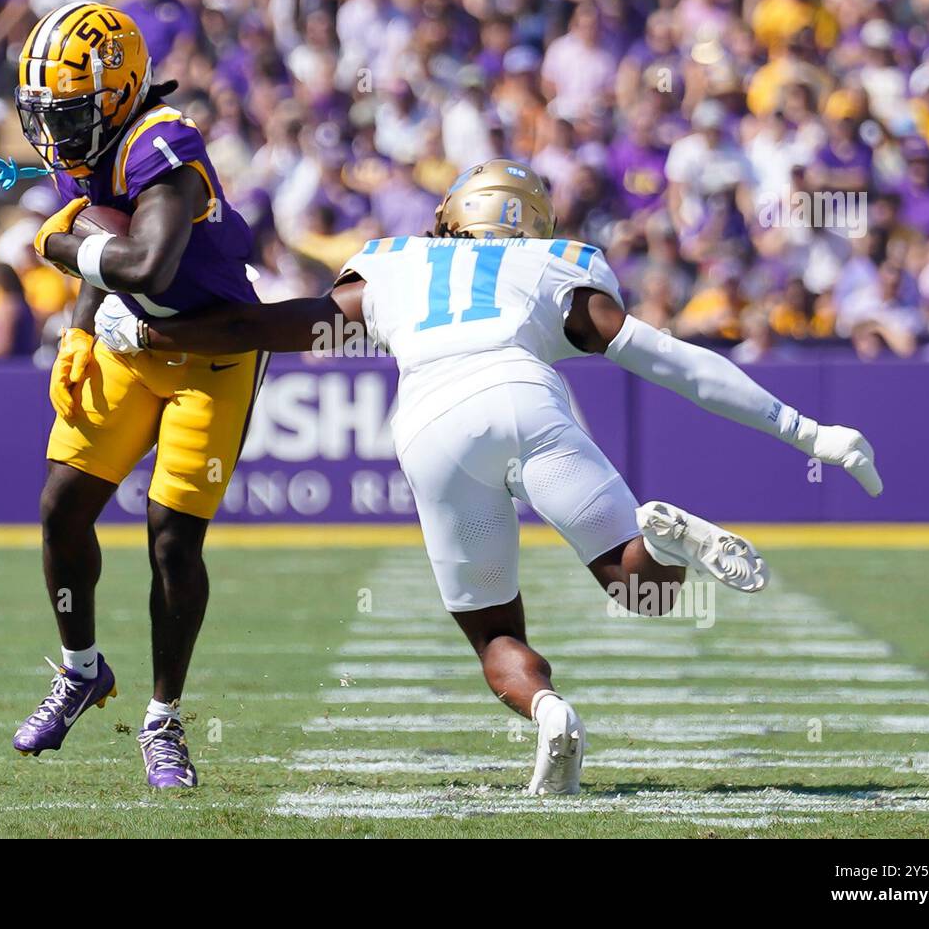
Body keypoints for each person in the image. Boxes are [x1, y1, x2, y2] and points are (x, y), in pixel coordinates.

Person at [73, 160, 884, 795]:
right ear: (533, 225)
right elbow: (676, 361)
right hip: (527, 398)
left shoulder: (393, 263)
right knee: (645, 589)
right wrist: (807, 430)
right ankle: (663, 539)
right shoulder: (551, 265)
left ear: (451, 217)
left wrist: (146, 325)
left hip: (431, 424)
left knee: (496, 633)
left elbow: (264, 326)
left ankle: (548, 709)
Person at [11, 3, 261, 791]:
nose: (58, 133)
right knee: (61, 506)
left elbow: (147, 264)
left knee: (169, 540)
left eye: (72, 113)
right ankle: (83, 671)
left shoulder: (164, 147)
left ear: (117, 94)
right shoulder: (92, 140)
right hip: (128, 346)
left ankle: (163, 720)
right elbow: (105, 239)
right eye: (49, 116)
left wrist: (60, 245)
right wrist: (79, 330)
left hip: (209, 354)